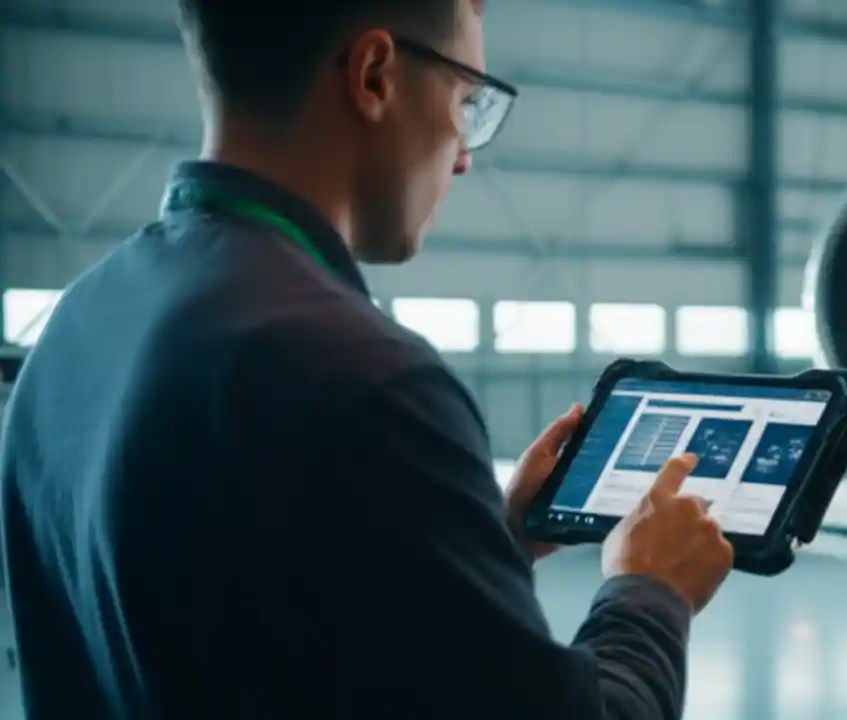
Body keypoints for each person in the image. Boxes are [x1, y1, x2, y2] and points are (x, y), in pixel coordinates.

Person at [0, 0, 735, 717]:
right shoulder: (363, 381)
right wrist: (648, 589)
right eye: (467, 99)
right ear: (376, 74)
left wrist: (488, 539)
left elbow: (243, 621)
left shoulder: (80, 323)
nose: (465, 158)